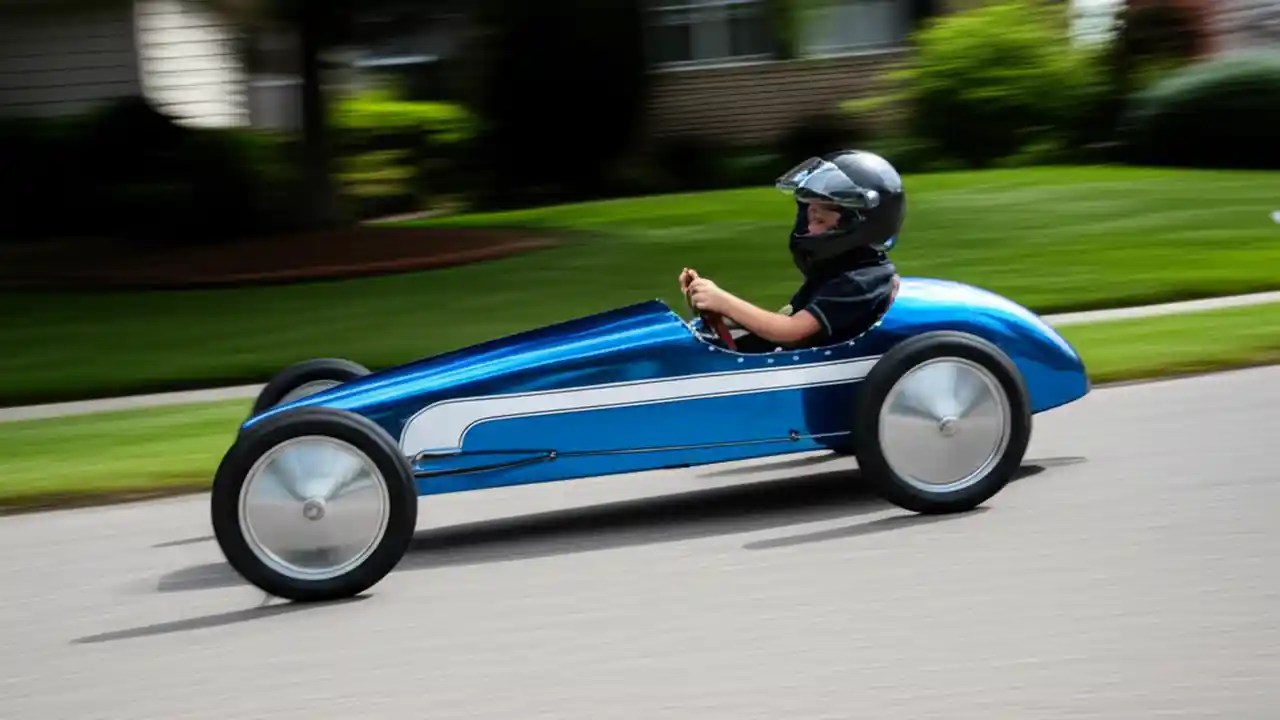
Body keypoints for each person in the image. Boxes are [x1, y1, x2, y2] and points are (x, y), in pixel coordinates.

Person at [680, 149, 905, 352]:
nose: (808, 227)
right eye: (809, 214)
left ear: (860, 223)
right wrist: (717, 311)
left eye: (819, 218)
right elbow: (784, 319)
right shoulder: (839, 270)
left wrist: (723, 300)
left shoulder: (860, 281)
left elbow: (790, 332)